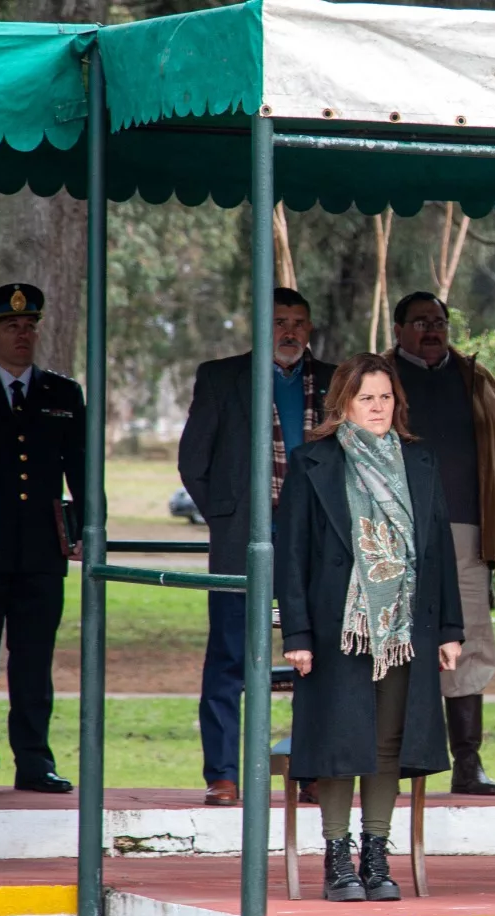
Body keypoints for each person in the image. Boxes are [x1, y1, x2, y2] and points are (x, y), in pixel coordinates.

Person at [276, 353, 466, 901]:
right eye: (367, 398)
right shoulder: (314, 462)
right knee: (340, 742)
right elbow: (293, 559)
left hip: (408, 627)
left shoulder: (420, 462)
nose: (378, 407)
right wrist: (298, 636)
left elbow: (440, 553)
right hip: (338, 628)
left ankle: (376, 856)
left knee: (388, 743)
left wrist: (450, 629)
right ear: (343, 404)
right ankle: (337, 858)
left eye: (385, 397)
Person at [178, 287, 336, 806]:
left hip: (319, 541)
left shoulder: (335, 382)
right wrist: (227, 516)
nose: (290, 331)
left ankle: (311, 767)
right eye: (280, 321)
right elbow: (193, 460)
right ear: (261, 326)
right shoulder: (222, 376)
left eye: (299, 322)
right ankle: (223, 774)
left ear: (310, 329)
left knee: (318, 657)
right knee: (229, 656)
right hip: (243, 540)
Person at [0, 284, 84, 795]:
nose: (22, 335)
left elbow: (80, 470)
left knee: (33, 663)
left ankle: (34, 761)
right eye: (11, 327)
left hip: (41, 552)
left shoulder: (61, 394)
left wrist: (86, 532)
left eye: (29, 326)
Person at [388, 292, 495, 796]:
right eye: (420, 322)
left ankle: (467, 762)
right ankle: (394, 755)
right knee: (395, 638)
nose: (432, 330)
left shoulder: (473, 378)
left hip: (462, 526)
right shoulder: (378, 378)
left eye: (439, 321)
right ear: (398, 329)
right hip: (393, 527)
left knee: (469, 638)